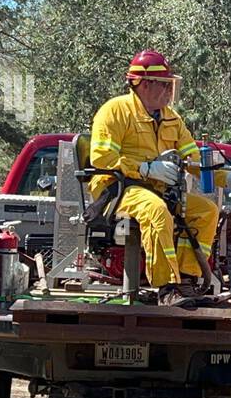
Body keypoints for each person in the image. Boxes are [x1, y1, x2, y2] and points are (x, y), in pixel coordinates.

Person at [89, 49, 218, 306]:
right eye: (164, 84)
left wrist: (230, 178)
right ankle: (166, 287)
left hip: (155, 189)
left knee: (207, 210)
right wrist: (145, 168)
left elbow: (193, 158)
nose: (170, 91)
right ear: (144, 84)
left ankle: (186, 280)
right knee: (157, 211)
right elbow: (101, 159)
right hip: (117, 190)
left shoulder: (172, 119)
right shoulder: (115, 111)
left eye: (171, 85)